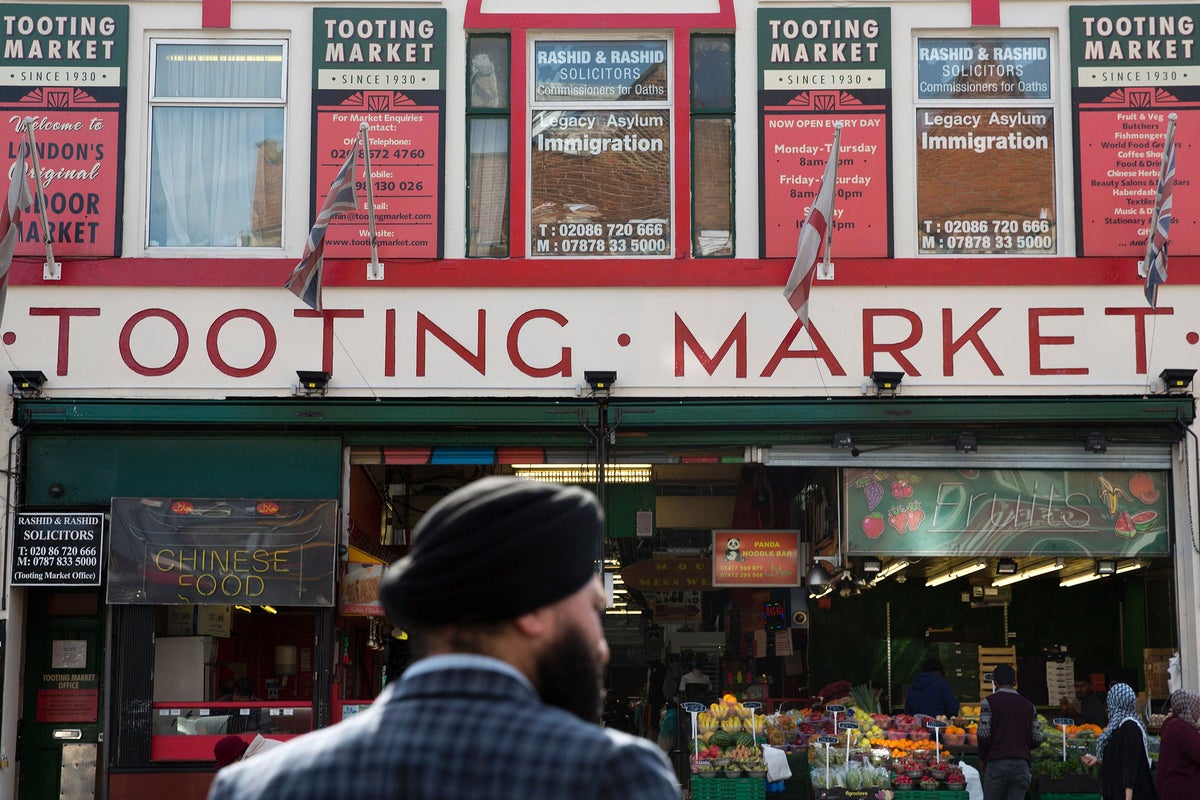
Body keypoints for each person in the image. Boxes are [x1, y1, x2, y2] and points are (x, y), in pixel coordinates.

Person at [209, 476, 680, 800]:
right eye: (593, 611)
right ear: (534, 612)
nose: (601, 645)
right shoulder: (613, 777)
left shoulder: (257, 786)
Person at [977, 663, 1042, 800]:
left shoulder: (989, 702)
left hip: (996, 765)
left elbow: (983, 735)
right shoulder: (1029, 706)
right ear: (1015, 682)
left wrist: (983, 758)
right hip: (1021, 765)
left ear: (995, 682)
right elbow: (1036, 739)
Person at [1081, 682, 1157, 800]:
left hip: (1130, 794)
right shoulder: (1117, 727)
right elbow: (1117, 757)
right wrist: (1098, 760)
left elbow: (1129, 765)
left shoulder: (1130, 728)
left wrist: (1128, 797)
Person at [1155, 689, 1200, 800]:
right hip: (1181, 790)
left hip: (1169, 787)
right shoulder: (1181, 729)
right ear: (1190, 707)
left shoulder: (1171, 723)